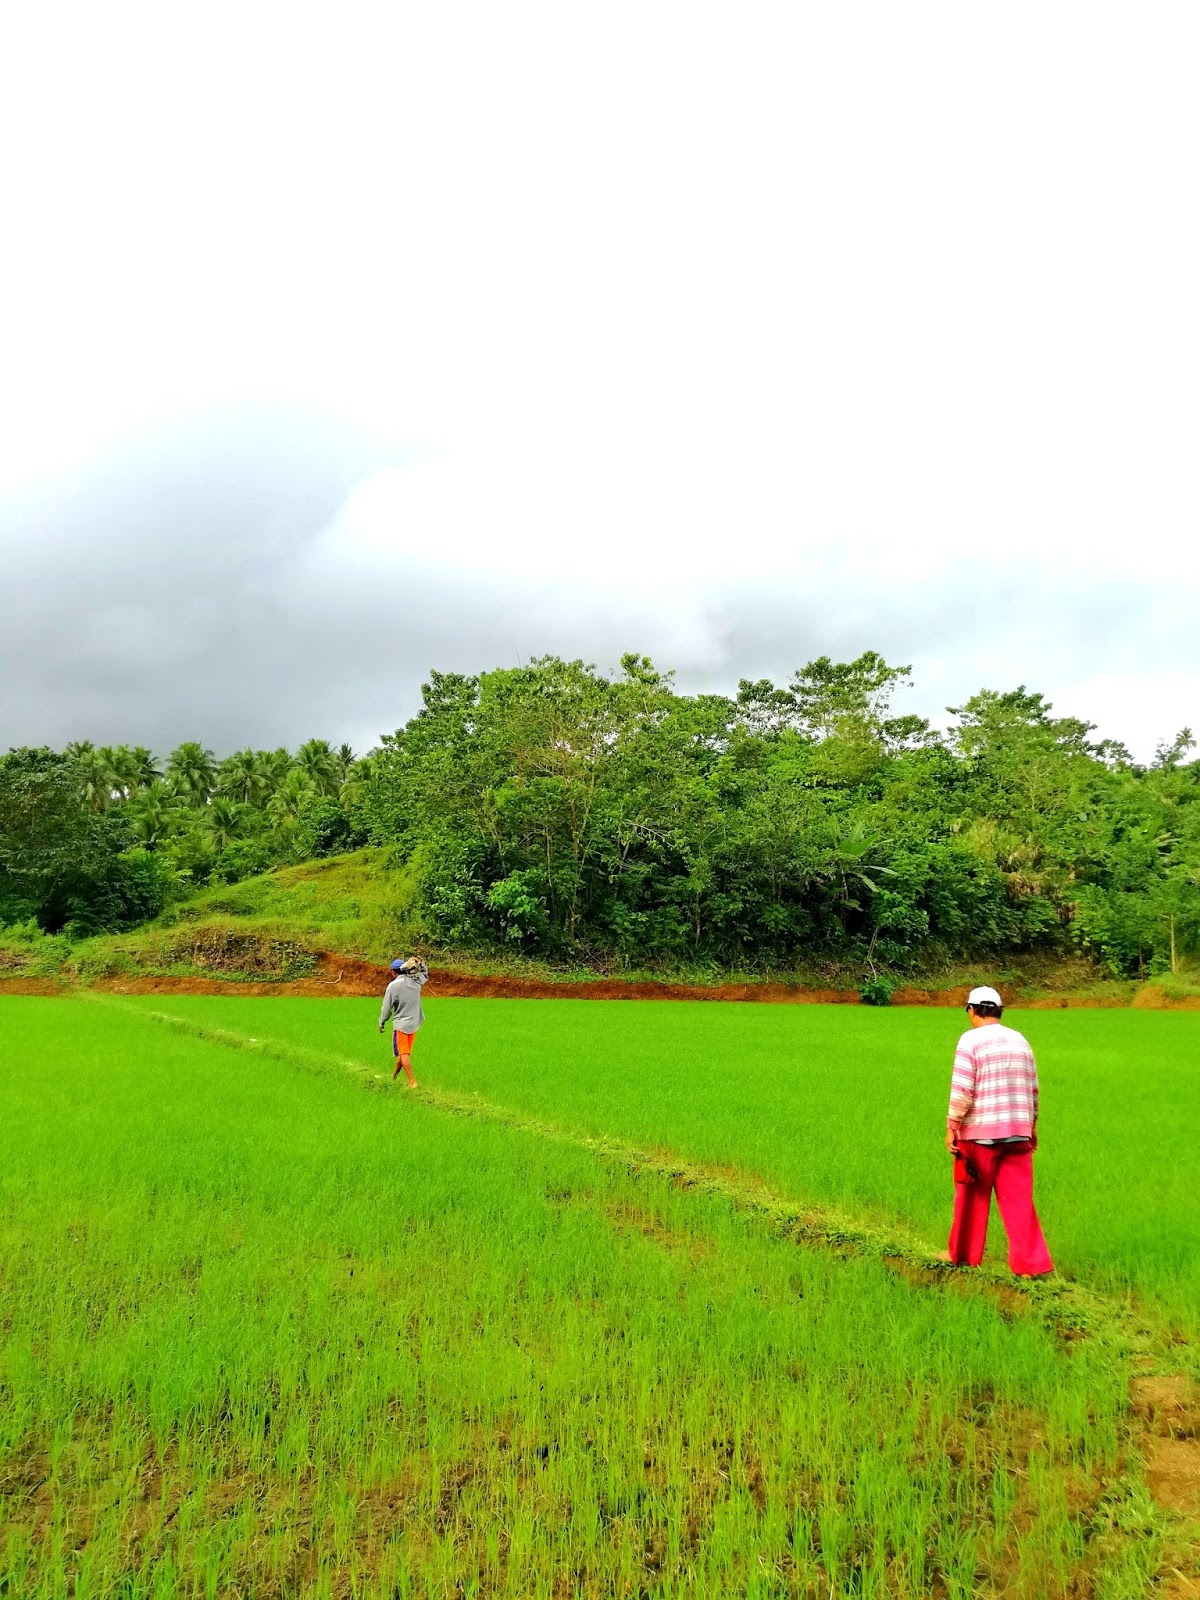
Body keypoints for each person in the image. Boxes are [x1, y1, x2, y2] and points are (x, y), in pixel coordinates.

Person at [944, 985, 1053, 1277]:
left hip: (980, 1133)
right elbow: (1034, 1090)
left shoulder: (970, 1040)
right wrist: (1032, 1128)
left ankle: (963, 1255)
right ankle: (1030, 1265)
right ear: (999, 1011)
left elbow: (963, 1090)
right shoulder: (1020, 1040)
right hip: (1018, 1133)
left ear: (971, 1010)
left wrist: (952, 1126)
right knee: (1019, 1201)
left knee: (971, 1194)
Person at [378, 956, 429, 1087]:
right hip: (414, 1023)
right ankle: (393, 1078)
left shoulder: (393, 986)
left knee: (403, 1054)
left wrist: (381, 1022)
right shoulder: (416, 982)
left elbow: (387, 1008)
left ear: (393, 972)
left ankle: (412, 1082)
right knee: (402, 1053)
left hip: (401, 1025)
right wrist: (420, 961)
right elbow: (425, 973)